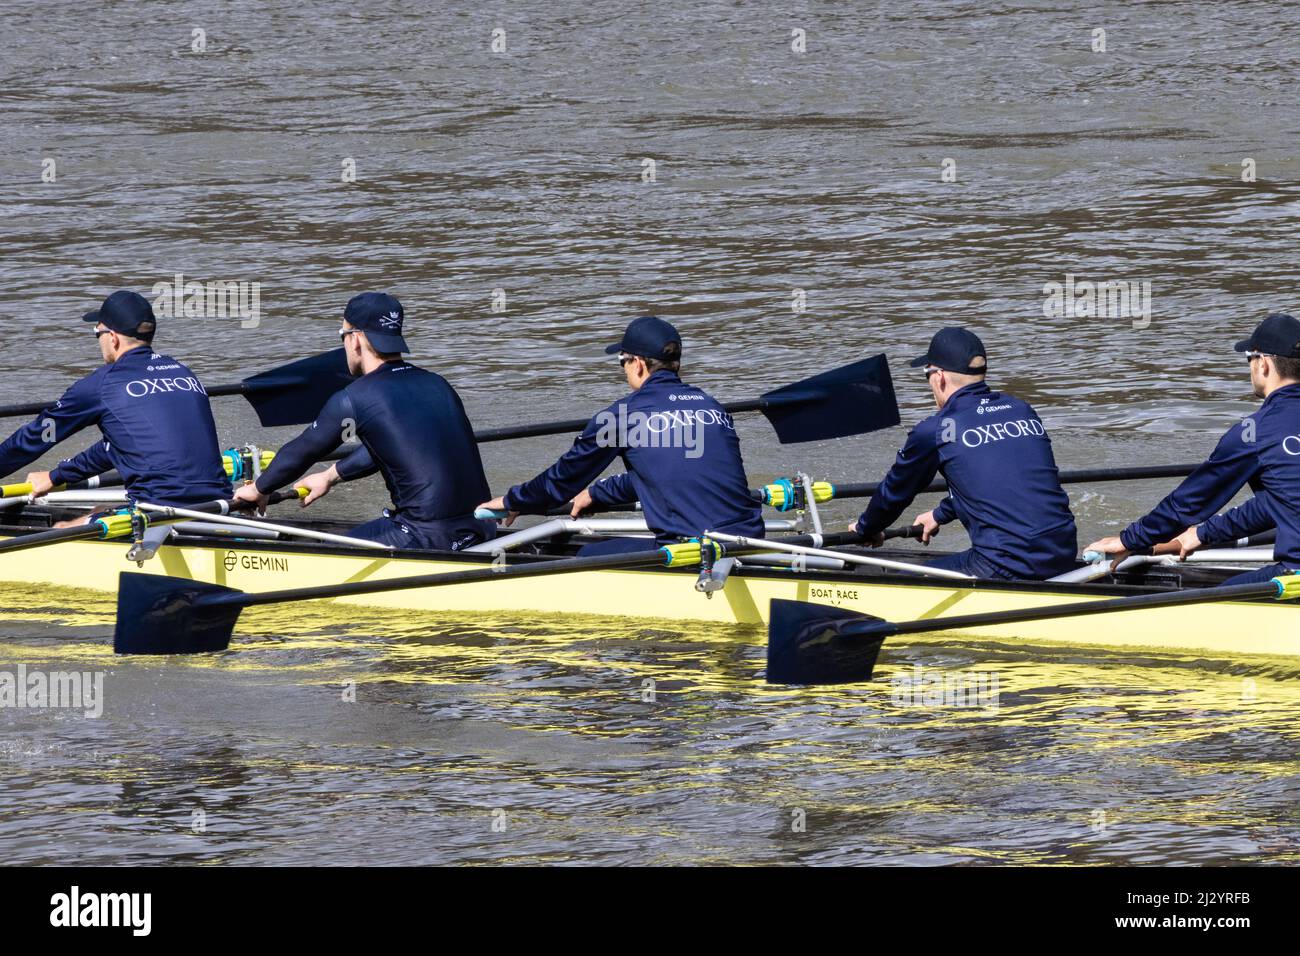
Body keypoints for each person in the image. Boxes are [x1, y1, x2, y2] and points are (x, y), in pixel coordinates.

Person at [478, 315, 764, 555]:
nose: (624, 369)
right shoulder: (712, 407)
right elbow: (669, 473)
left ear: (638, 363)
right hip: (750, 543)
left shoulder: (624, 416)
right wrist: (596, 493)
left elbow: (560, 483)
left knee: (577, 555)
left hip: (693, 554)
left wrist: (512, 501)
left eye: (622, 361)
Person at [234, 292, 495, 552]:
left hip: (426, 537)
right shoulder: (438, 384)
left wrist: (259, 488)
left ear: (356, 339)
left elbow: (304, 450)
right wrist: (329, 476)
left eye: (342, 335)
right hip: (481, 526)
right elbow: (392, 448)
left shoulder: (354, 397)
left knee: (323, 553)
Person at [1085, 313, 1300, 585]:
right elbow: (1282, 501)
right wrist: (1201, 534)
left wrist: (1129, 539)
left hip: (1296, 577)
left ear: (1264, 363)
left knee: (1210, 606)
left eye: (1249, 359)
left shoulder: (1254, 431)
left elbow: (1189, 503)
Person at [849, 327, 1078, 579]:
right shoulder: (1021, 410)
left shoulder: (937, 429)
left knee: (894, 582)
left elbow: (895, 492)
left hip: (1005, 565)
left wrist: (866, 528)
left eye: (927, 376)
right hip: (1063, 551)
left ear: (939, 377)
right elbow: (1005, 480)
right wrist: (940, 514)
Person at [0, 290, 231, 520]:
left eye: (96, 332)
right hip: (219, 505)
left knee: (62, 528)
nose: (98, 339)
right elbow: (126, 444)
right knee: (99, 511)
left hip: (158, 512)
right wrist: (56, 475)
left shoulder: (100, 384)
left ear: (113, 337)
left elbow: (40, 436)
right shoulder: (184, 373)